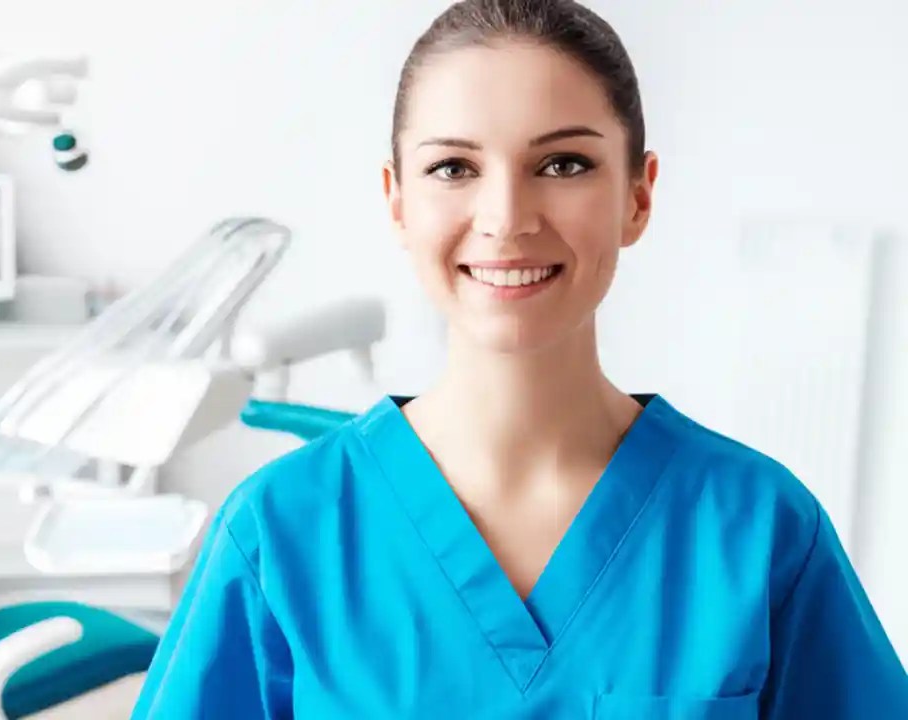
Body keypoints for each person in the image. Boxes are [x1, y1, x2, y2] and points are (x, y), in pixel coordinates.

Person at [131, 0, 908, 717]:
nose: (505, 219)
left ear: (638, 195)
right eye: (454, 169)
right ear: (397, 200)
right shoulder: (282, 533)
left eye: (563, 164)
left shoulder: (757, 529)